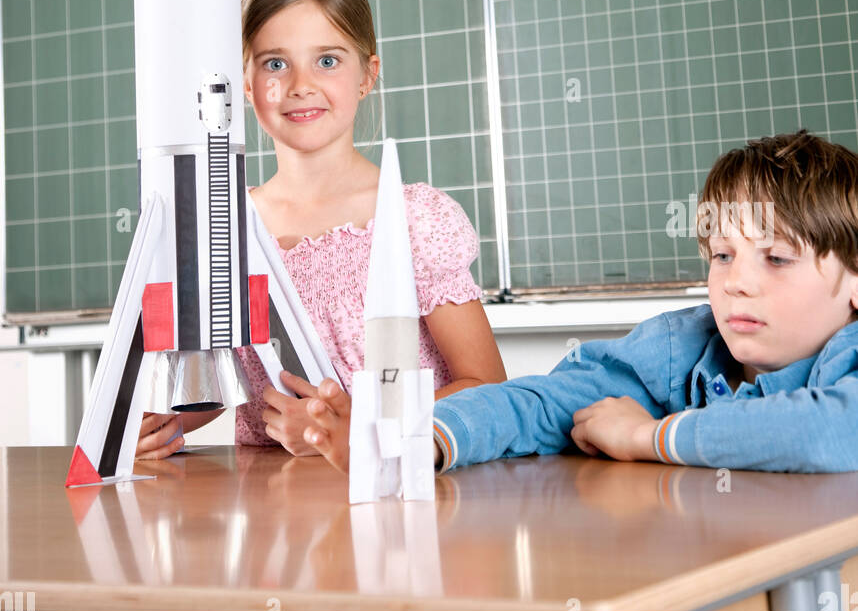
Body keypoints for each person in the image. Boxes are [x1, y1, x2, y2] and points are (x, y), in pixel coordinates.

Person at [299, 130, 858, 475]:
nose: (738, 282)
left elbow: (834, 431)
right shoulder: (677, 350)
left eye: (777, 259)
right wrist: (418, 442)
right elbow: (540, 404)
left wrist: (650, 437)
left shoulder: (847, 356)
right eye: (721, 256)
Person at [136, 0, 505, 461]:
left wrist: (353, 427)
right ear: (245, 83)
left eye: (327, 60)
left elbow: (485, 385)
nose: (299, 85)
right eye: (274, 63)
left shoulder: (412, 219)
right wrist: (166, 419)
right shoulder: (226, 224)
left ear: (367, 75)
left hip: (393, 498)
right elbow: (225, 377)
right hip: (273, 508)